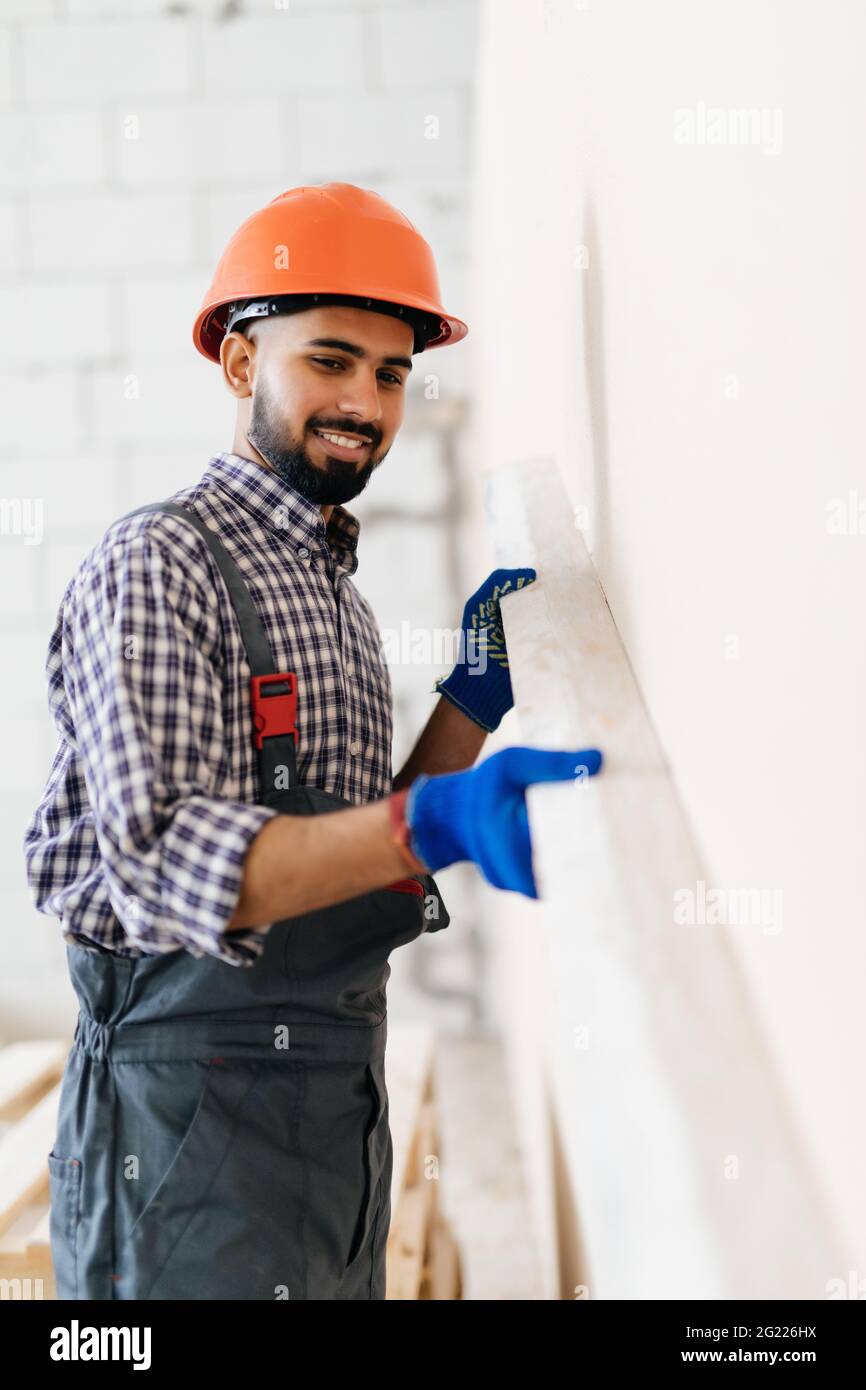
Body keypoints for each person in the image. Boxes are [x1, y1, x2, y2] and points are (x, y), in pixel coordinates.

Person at [23, 182, 603, 1301]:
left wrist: (470, 704)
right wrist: (433, 821)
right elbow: (160, 863)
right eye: (329, 361)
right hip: (180, 1135)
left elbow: (350, 852)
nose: (366, 403)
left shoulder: (328, 589)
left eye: (390, 373)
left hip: (333, 1109)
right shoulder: (159, 565)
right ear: (240, 365)